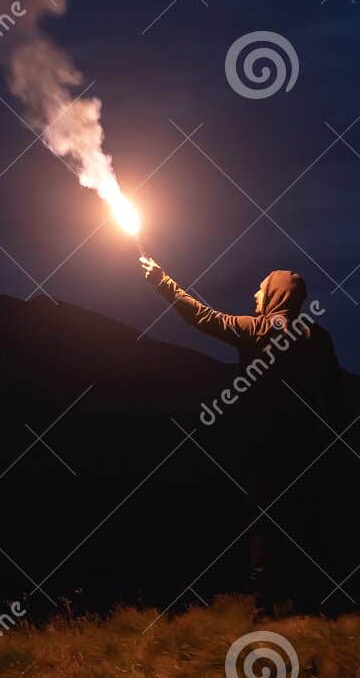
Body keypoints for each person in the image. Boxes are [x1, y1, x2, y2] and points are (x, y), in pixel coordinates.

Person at [139, 256, 343, 616]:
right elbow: (336, 394)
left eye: (261, 289)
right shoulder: (318, 337)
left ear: (276, 295)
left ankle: (264, 608)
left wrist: (161, 280)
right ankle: (315, 607)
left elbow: (200, 316)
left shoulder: (256, 329)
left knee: (265, 525)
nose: (255, 293)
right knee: (309, 522)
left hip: (265, 449)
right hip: (310, 448)